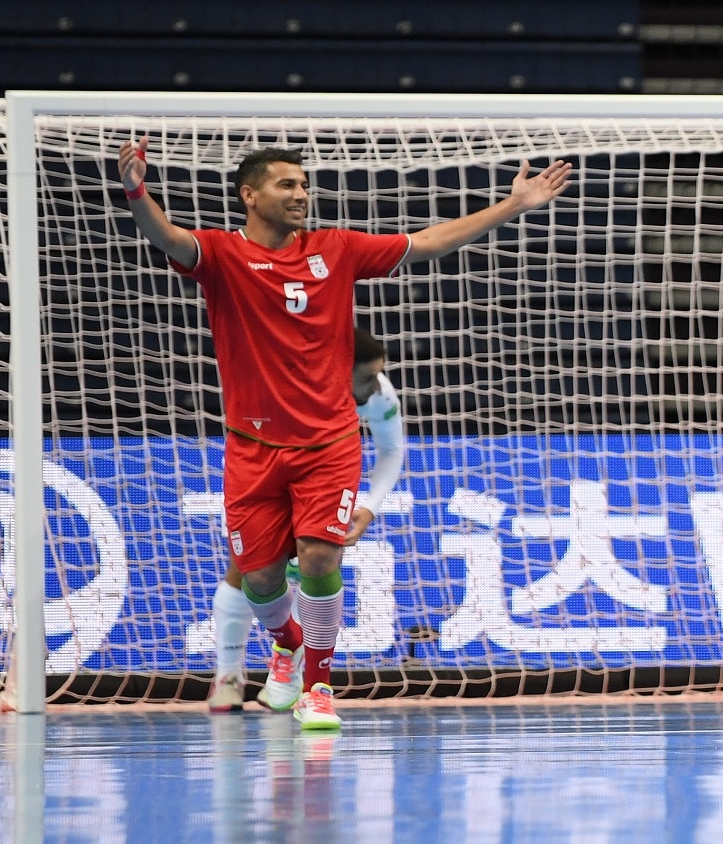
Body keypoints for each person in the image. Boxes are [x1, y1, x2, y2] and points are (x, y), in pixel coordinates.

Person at [119, 140, 569, 730]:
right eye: (287, 185)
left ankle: (320, 686)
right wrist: (136, 192)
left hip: (328, 443)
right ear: (249, 195)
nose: (302, 195)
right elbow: (169, 238)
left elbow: (428, 241)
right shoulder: (224, 255)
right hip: (251, 446)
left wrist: (511, 206)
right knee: (259, 577)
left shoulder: (336, 248)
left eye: (305, 185)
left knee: (320, 556)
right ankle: (287, 643)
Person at [207, 326, 407, 713]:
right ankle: (229, 673)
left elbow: (392, 450)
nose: (375, 386)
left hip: (324, 470)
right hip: (264, 469)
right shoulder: (277, 384)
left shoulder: (377, 396)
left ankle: (300, 675)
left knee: (316, 560)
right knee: (251, 572)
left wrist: (371, 506)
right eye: (365, 378)